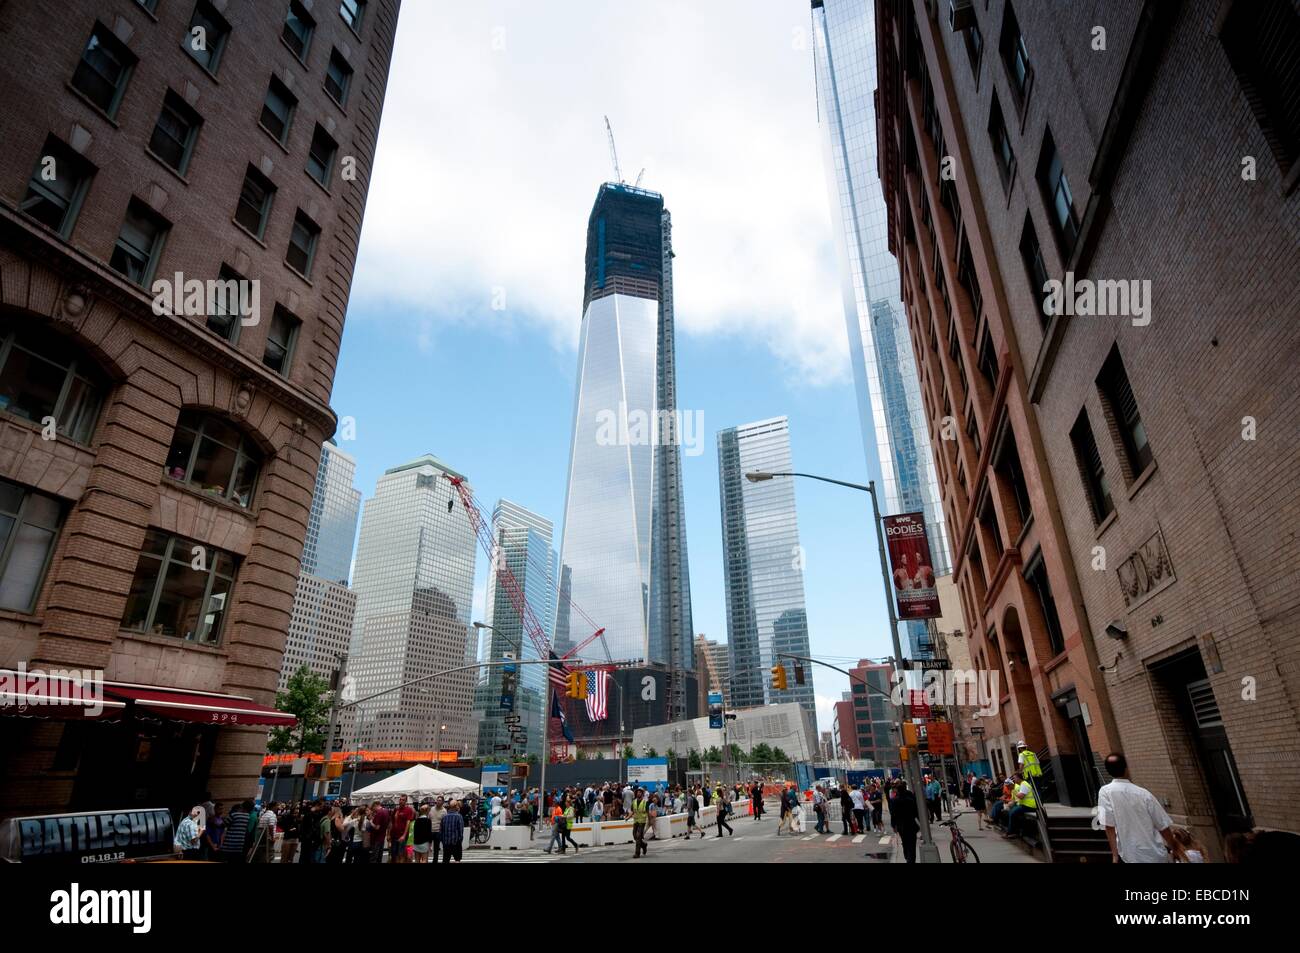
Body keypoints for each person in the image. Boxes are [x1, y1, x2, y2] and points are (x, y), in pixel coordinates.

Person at [1096, 753, 1184, 863]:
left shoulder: (1105, 792)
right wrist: (1174, 848)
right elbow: (1163, 826)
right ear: (1126, 768)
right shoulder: (1144, 794)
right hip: (1156, 854)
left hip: (1131, 855)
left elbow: (1109, 825)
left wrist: (1115, 855)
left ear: (1108, 771)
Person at [890, 780, 920, 863]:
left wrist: (894, 825)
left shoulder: (894, 800)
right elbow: (916, 811)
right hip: (911, 824)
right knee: (912, 845)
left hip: (901, 826)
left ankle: (907, 857)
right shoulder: (910, 799)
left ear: (898, 790)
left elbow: (893, 814)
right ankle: (910, 859)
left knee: (905, 842)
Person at [1003, 773, 1036, 840]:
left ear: (1019, 778)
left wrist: (1014, 791)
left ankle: (1012, 832)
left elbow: (1021, 796)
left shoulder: (1024, 784)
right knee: (1012, 812)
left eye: (1015, 778)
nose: (1014, 780)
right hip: (1025, 805)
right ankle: (1015, 831)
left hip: (1029, 805)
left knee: (1012, 813)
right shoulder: (1022, 784)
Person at [389, 795, 415, 864]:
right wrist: (388, 834)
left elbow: (408, 823)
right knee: (394, 854)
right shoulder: (396, 809)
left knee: (401, 855)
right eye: (400, 799)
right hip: (394, 835)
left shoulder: (408, 810)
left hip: (402, 836)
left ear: (406, 801)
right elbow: (392, 822)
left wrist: (404, 835)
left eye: (403, 800)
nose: (401, 801)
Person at [631, 788, 651, 857]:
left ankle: (637, 853)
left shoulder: (645, 802)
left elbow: (648, 813)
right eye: (637, 792)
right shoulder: (634, 802)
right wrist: (628, 817)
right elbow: (632, 811)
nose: (638, 793)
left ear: (642, 794)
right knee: (634, 836)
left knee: (638, 836)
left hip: (642, 822)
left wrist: (650, 820)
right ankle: (644, 845)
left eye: (640, 792)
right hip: (635, 821)